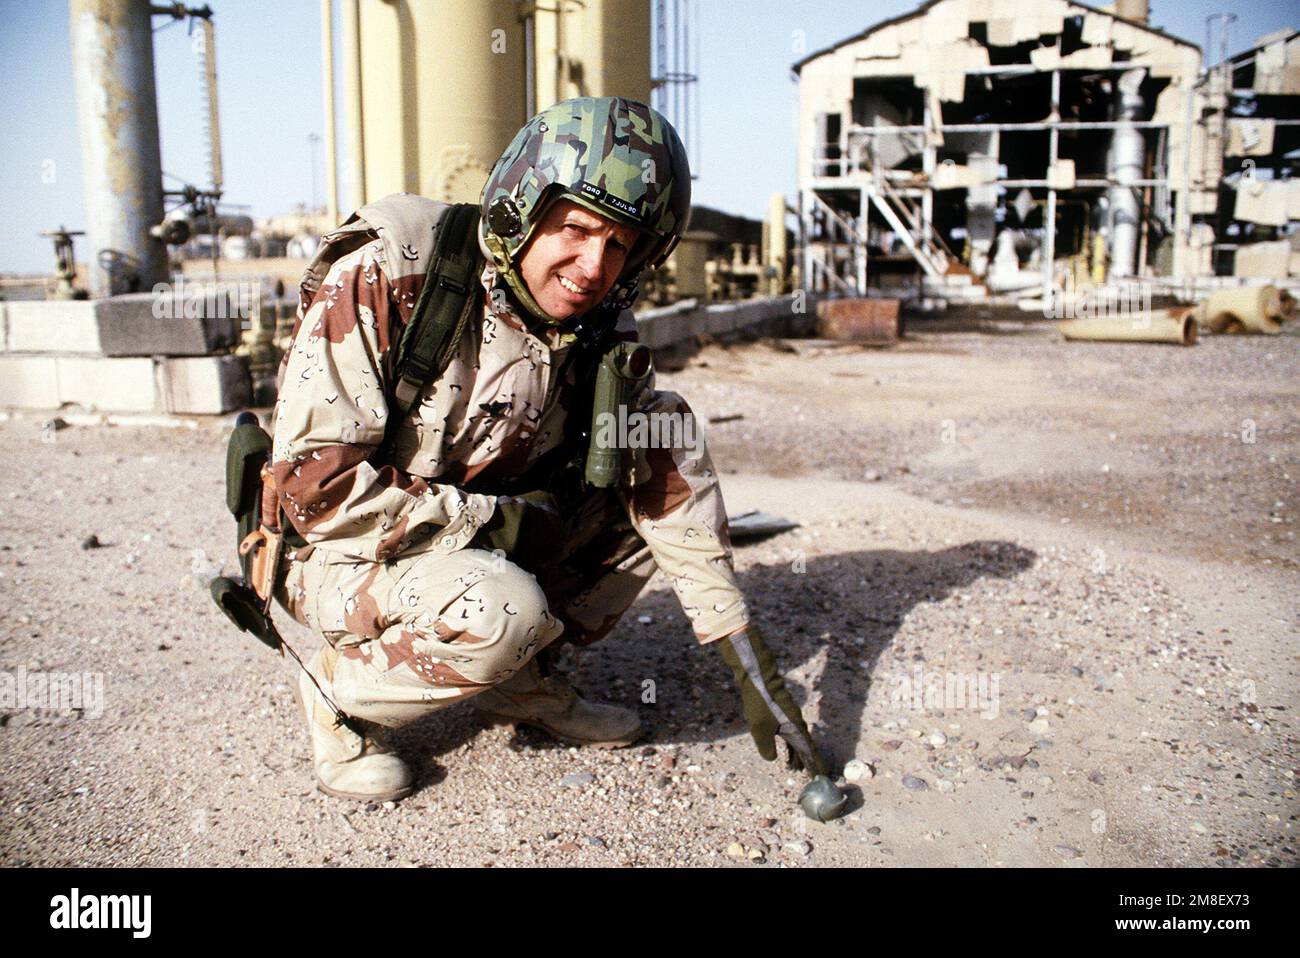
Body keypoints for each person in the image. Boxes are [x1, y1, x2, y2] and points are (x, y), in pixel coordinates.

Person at [268, 96, 828, 802]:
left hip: (474, 542)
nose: (592, 266)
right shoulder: (396, 270)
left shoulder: (598, 322)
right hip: (336, 553)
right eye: (575, 228)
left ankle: (519, 683)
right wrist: (492, 525)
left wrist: (743, 652)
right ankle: (338, 694)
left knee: (646, 484)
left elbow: (665, 469)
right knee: (504, 612)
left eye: (618, 244)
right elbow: (312, 487)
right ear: (520, 210)